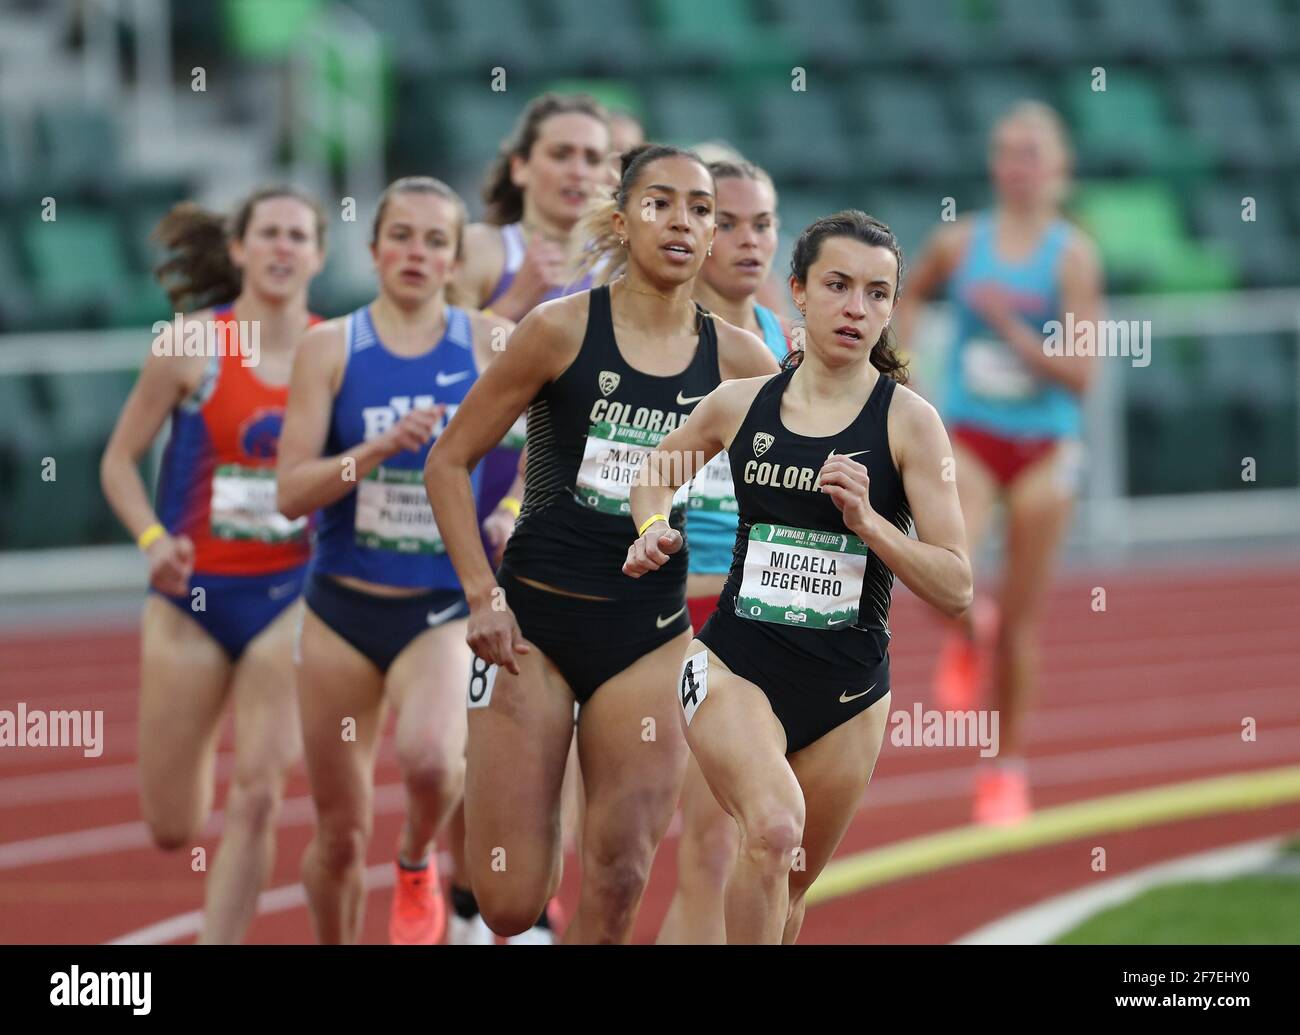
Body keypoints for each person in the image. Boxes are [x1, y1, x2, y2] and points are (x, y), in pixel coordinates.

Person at [424, 143, 780, 943]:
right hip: (532, 627)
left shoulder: (741, 360)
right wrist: (481, 597)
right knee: (511, 898)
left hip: (649, 636)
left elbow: (792, 494)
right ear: (622, 220)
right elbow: (447, 462)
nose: (684, 221)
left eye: (703, 210)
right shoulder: (556, 331)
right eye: (662, 202)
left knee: (619, 880)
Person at [626, 210, 973, 943]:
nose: (857, 309)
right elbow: (652, 478)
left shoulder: (909, 424)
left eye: (878, 294)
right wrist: (654, 530)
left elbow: (956, 585)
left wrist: (874, 524)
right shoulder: (741, 404)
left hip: (848, 691)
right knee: (774, 827)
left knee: (787, 884)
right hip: (733, 664)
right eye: (839, 286)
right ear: (799, 293)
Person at [276, 176, 515, 944]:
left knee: (433, 760)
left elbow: (553, 450)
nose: (417, 252)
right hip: (343, 610)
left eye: (435, 239)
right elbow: (289, 493)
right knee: (341, 834)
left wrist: (509, 511)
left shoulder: (489, 342)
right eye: (402, 236)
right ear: (374, 249)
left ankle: (416, 860)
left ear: (454, 257)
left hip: (440, 606)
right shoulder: (329, 347)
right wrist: (373, 452)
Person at [100, 186, 326, 943]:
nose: (283, 247)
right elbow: (118, 462)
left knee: (260, 794)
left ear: (320, 256)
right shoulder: (188, 345)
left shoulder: (341, 350)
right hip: (189, 599)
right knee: (172, 824)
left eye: (299, 235)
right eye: (269, 233)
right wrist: (150, 540)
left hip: (289, 597)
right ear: (239, 248)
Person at [893, 102, 1102, 825]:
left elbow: (1082, 374)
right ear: (994, 164)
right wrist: (907, 374)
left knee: (1021, 620)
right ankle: (962, 631)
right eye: (1009, 152)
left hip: (1046, 445)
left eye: (1033, 153)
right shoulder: (961, 242)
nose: (1019, 166)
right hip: (973, 436)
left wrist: (1015, 331)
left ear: (1058, 169)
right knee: (939, 572)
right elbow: (908, 295)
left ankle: (1005, 766)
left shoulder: (1071, 255)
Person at [445, 92, 613, 944]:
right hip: (465, 498)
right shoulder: (482, 248)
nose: (578, 169)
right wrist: (520, 295)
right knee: (450, 735)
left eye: (595, 157)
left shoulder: (624, 269)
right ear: (521, 166)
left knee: (561, 721)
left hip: (561, 515)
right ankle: (461, 892)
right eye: (562, 153)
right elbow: (440, 360)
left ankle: (524, 901)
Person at [657, 157, 789, 945]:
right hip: (663, 615)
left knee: (737, 844)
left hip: (754, 617)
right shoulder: (655, 338)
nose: (747, 240)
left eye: (763, 223)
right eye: (726, 221)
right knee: (649, 851)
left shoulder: (781, 342)